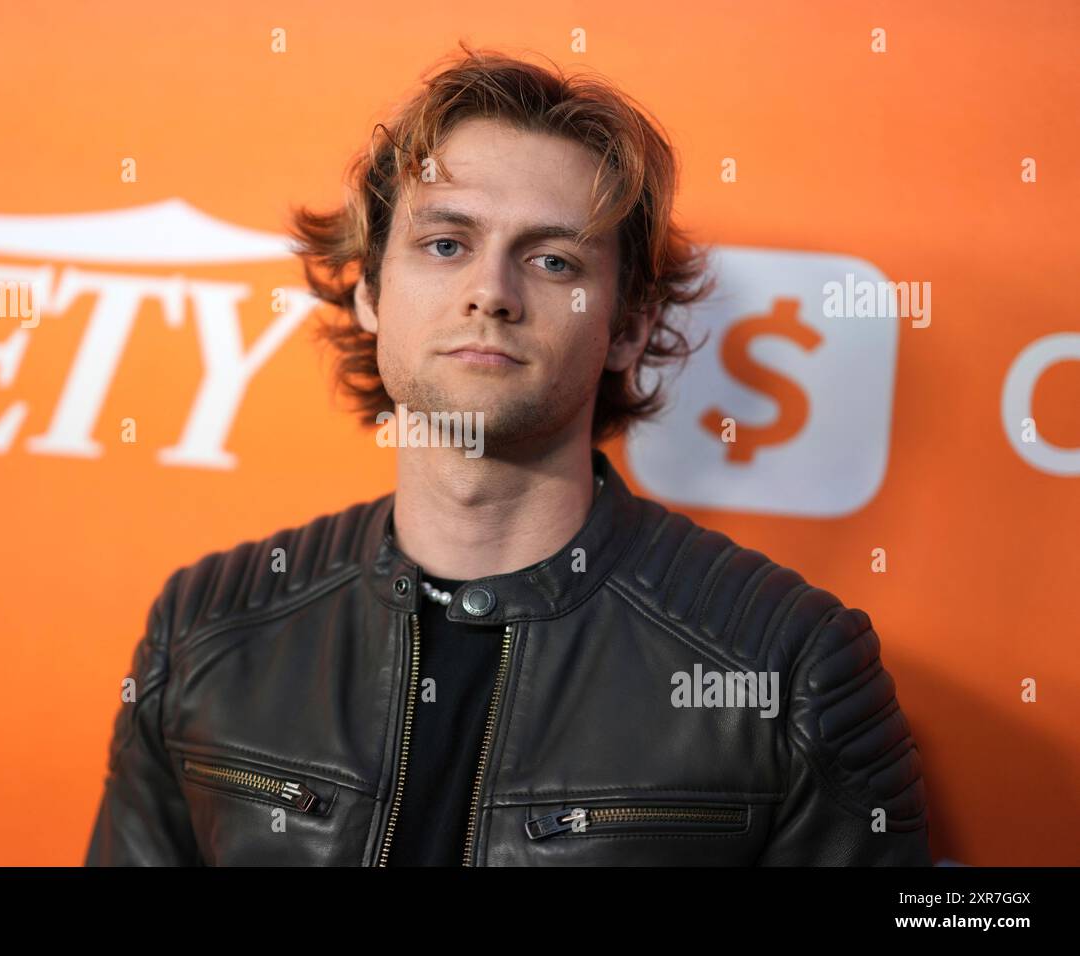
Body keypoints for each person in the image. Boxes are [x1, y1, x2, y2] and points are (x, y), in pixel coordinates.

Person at [85, 44, 931, 866]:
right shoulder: (207, 631)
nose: (491, 290)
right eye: (446, 243)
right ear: (371, 291)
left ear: (627, 327)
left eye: (552, 258)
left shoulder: (790, 666)